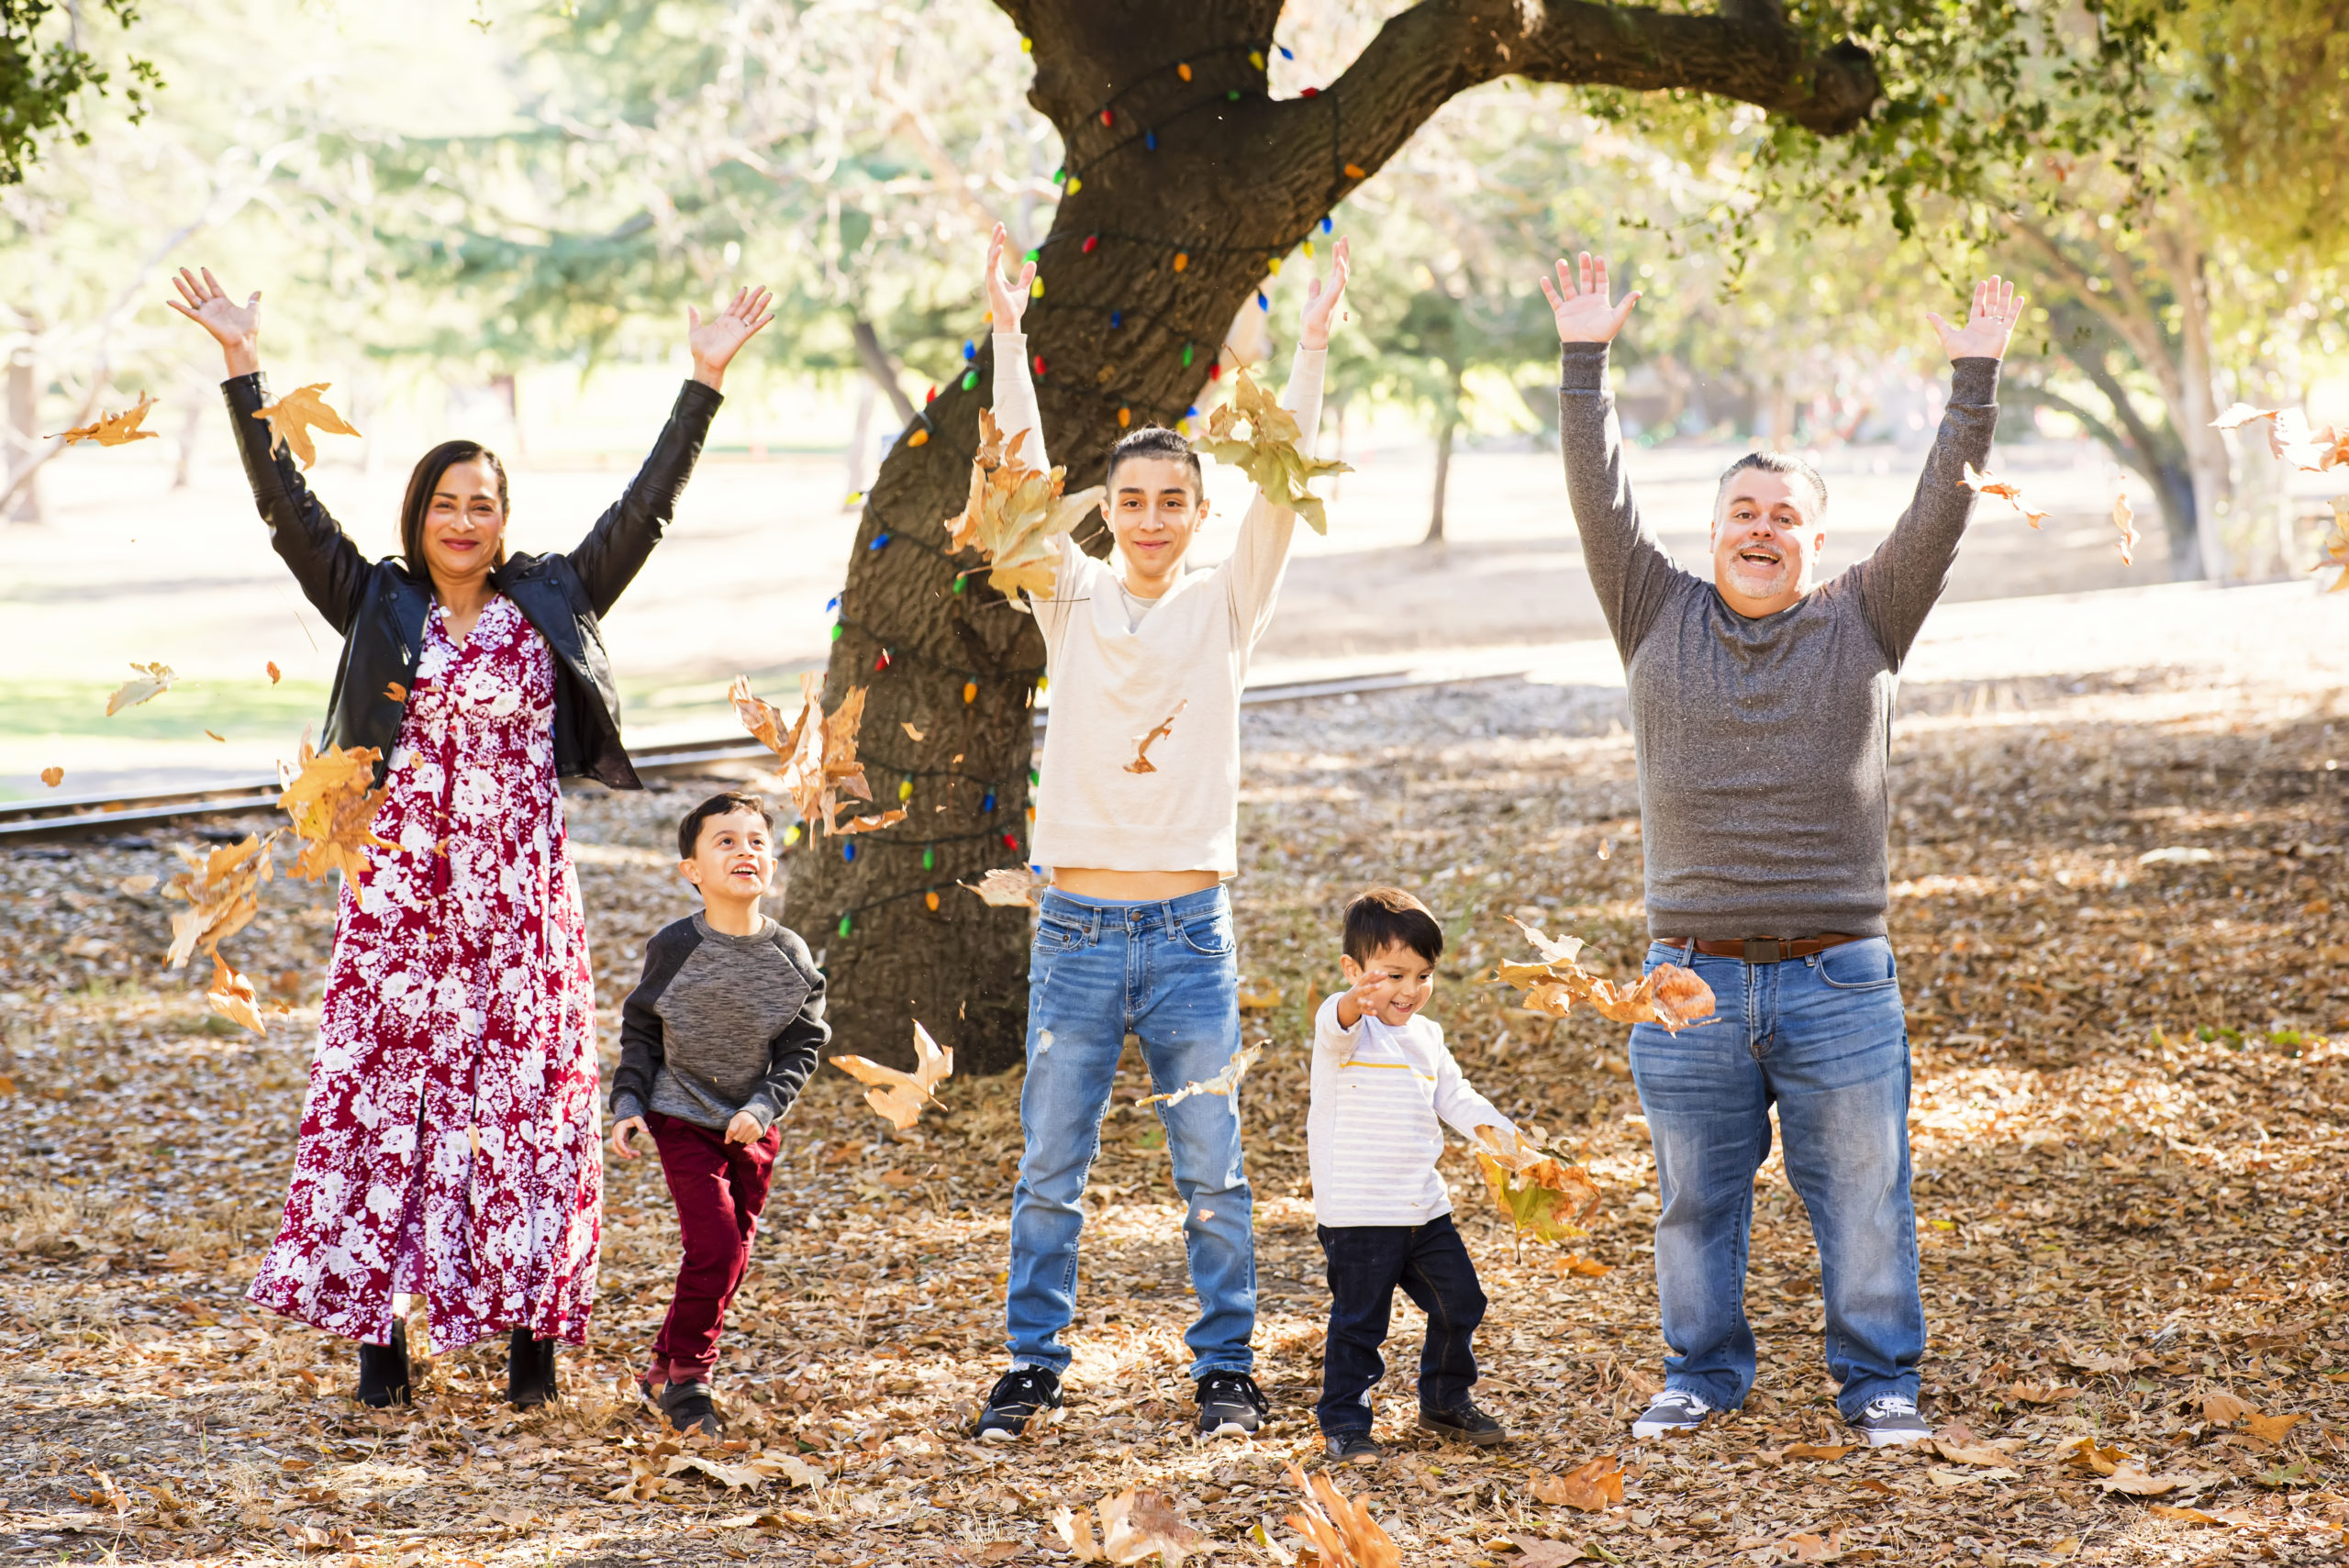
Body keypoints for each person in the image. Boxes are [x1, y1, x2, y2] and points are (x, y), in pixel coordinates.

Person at [170, 265, 773, 1408]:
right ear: (419, 516)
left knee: (524, 1112)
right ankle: (382, 1342)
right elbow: (285, 509)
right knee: (389, 1106)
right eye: (445, 502)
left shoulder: (551, 600)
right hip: (401, 907)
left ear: (503, 520)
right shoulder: (375, 602)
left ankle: (530, 1344)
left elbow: (642, 510)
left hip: (519, 912)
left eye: (482, 503)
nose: (462, 520)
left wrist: (704, 379)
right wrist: (244, 369)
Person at [1541, 250, 2024, 1447]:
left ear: (1817, 537)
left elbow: (1942, 510)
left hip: (1838, 973)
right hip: (1688, 973)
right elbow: (1598, 493)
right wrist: (1584, 362)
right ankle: (1700, 1374)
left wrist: (1974, 381)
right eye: (1742, 515)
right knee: (1695, 1202)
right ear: (1712, 534)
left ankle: (1879, 1384)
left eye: (1784, 518)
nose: (1762, 532)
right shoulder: (1652, 607)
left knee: (1864, 1199)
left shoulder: (1866, 614)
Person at [973, 223, 1354, 1441]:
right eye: (1130, 499)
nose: (1148, 517)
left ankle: (1225, 1373)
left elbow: (1285, 479)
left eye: (1171, 500)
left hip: (1192, 931)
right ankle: (1033, 1364)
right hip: (1078, 928)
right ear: (1110, 512)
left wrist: (1309, 341)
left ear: (1197, 511)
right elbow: (1024, 471)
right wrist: (1006, 330)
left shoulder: (1226, 601)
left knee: (1213, 1170)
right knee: (1050, 1171)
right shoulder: (1071, 595)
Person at [610, 791, 828, 1437]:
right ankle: (690, 1382)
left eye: (757, 840)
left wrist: (764, 1106)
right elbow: (641, 1029)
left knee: (730, 1255)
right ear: (693, 869)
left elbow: (802, 1044)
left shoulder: (790, 954)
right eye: (725, 841)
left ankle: (661, 1364)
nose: (745, 851)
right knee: (715, 1244)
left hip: (751, 1126)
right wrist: (628, 1103)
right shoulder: (675, 947)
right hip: (681, 1115)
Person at [1310, 888, 1518, 1463]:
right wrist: (1356, 1000)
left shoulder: (1426, 1037)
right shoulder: (1344, 1028)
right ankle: (1346, 1422)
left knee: (1461, 1302)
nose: (1409, 990)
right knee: (1360, 1324)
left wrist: (1508, 1141)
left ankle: (1444, 1400)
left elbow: (1458, 1099)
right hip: (1359, 1215)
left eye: (1423, 975)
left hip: (1423, 1210)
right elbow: (1338, 1018)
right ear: (1354, 971)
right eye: (1393, 974)